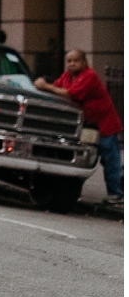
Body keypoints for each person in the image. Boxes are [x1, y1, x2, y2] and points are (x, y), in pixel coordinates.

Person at [35, 50, 124, 207]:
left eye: (76, 60)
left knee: (110, 160)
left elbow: (71, 94)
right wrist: (45, 86)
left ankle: (116, 194)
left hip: (104, 124)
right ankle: (75, 194)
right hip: (88, 126)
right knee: (84, 158)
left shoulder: (89, 76)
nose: (72, 63)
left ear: (84, 62)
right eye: (69, 60)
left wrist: (46, 86)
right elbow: (56, 88)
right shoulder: (67, 76)